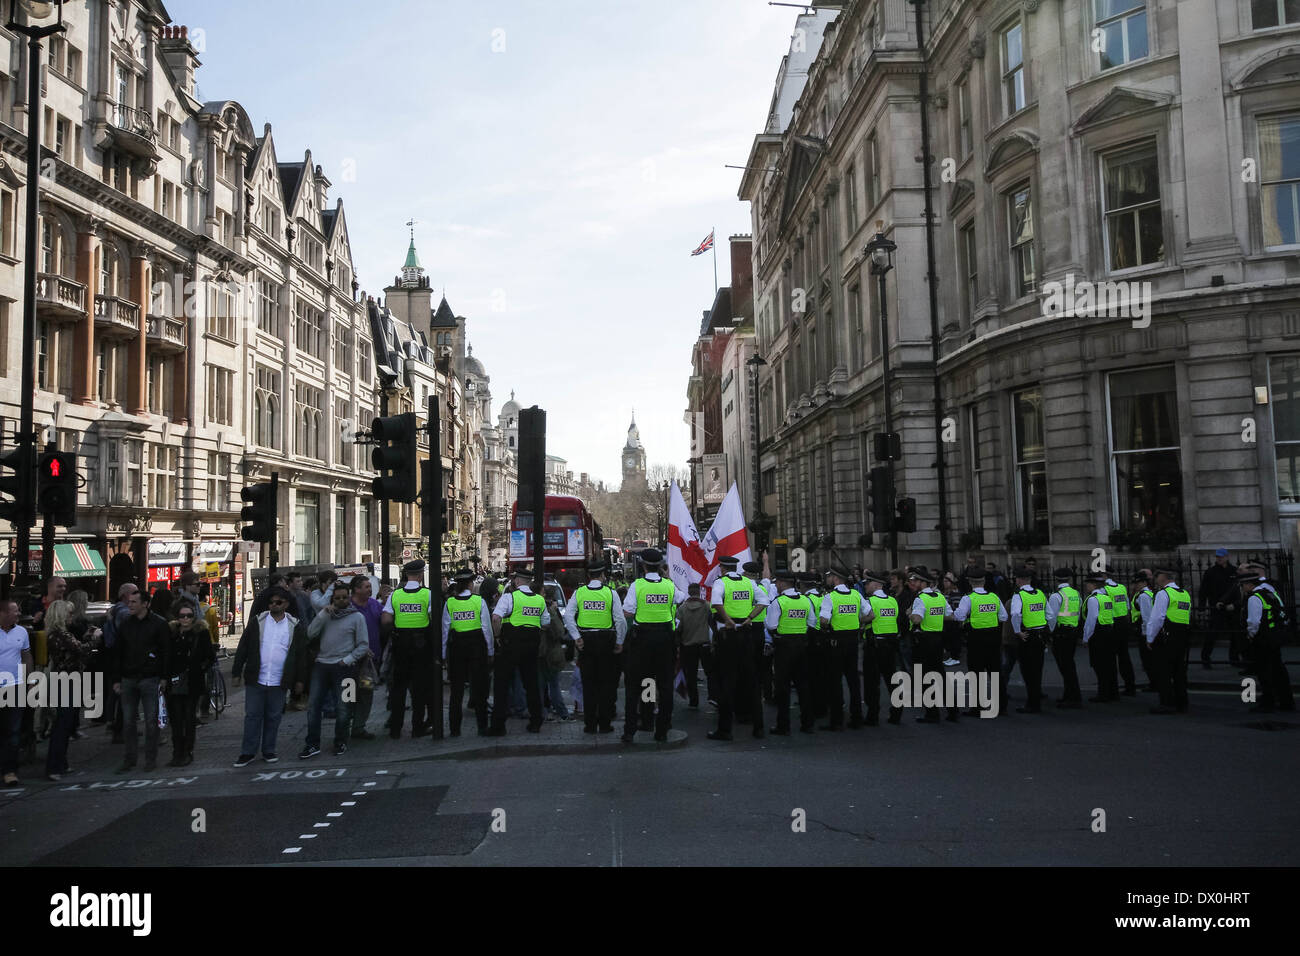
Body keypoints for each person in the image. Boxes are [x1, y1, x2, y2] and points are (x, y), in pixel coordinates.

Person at [231, 585, 308, 766]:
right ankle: (247, 752)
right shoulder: (258, 621)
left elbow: (301, 656)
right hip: (256, 678)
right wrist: (236, 672)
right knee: (252, 716)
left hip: (279, 680)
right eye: (271, 602)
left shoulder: (294, 626)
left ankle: (269, 750)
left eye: (278, 602)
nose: (274, 605)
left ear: (286, 604)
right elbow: (243, 647)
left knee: (273, 717)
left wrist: (300, 680)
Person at [620, 548, 684, 742]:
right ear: (660, 567)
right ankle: (661, 730)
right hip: (665, 639)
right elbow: (681, 599)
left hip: (643, 640)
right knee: (663, 686)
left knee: (636, 685)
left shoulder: (637, 586)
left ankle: (633, 729)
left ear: (643, 565)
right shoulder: (668, 586)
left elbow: (628, 612)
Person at [301, 582, 369, 758]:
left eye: (344, 597)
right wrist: (323, 613)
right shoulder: (325, 615)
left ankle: (341, 741)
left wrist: (347, 660)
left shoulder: (357, 618)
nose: (341, 600)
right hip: (321, 666)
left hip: (346, 669)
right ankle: (312, 744)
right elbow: (310, 633)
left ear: (349, 597)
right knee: (313, 706)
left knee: (345, 707)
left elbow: (363, 645)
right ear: (332, 599)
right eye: (337, 598)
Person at [110, 590, 172, 773]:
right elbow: (118, 653)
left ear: (145, 604)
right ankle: (130, 759)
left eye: (134, 602)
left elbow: (166, 652)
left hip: (150, 678)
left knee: (151, 721)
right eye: (129, 602)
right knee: (128, 722)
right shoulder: (126, 625)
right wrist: (116, 679)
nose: (130, 605)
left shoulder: (159, 624)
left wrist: (163, 677)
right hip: (129, 678)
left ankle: (150, 759)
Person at [708, 556, 766, 740]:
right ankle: (759, 728)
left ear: (723, 568)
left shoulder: (721, 583)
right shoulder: (748, 583)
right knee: (752, 682)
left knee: (727, 682)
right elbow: (763, 601)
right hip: (746, 634)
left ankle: (724, 730)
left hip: (729, 635)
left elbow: (716, 603)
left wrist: (727, 620)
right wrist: (749, 617)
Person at [381, 560, 441, 739]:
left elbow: (385, 620)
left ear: (406, 575)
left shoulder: (395, 595)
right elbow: (433, 619)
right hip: (421, 646)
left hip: (401, 646)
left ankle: (395, 729)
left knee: (399, 689)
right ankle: (417, 728)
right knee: (419, 690)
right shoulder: (427, 594)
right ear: (421, 575)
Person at [488, 567, 551, 735]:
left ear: (516, 581)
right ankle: (536, 721)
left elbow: (495, 618)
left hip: (510, 645)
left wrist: (497, 636)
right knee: (531, 685)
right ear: (529, 582)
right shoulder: (538, 600)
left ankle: (498, 726)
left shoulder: (509, 597)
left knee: (502, 685)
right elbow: (545, 623)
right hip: (531, 646)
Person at [565, 559, 625, 734]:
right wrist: (619, 642)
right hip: (606, 640)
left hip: (586, 642)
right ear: (602, 575)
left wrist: (576, 637)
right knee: (606, 685)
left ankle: (590, 725)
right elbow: (620, 621)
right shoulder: (610, 593)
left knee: (589, 685)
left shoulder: (579, 593)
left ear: (589, 576)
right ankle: (605, 724)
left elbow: (568, 616)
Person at [44, 600, 94, 781]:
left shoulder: (58, 634)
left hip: (66, 679)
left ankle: (60, 763)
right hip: (66, 681)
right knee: (62, 724)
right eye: (69, 613)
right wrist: (92, 639)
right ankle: (54, 766)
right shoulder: (60, 634)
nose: (71, 616)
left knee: (65, 723)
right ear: (61, 615)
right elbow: (81, 650)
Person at [442, 568, 494, 736]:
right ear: (470, 584)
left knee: (456, 691)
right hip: (476, 647)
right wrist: (490, 651)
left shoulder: (450, 602)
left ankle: (454, 729)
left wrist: (443, 654)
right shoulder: (479, 602)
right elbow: (487, 629)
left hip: (457, 648)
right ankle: (482, 727)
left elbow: (445, 630)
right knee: (479, 689)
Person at [164, 602, 214, 767]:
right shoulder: (171, 634)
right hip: (174, 681)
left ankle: (187, 751)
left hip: (192, 682)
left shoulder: (201, 633)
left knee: (188, 717)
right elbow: (166, 656)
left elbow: (210, 656)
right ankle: (177, 752)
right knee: (176, 719)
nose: (185, 619)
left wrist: (199, 669)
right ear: (177, 618)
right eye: (182, 616)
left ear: (194, 617)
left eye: (189, 615)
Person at [954, 569, 1008, 716]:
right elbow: (1003, 617)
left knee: (976, 673)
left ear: (970, 582)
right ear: (984, 582)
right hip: (993, 638)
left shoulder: (968, 598)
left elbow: (959, 616)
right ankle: (1001, 706)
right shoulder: (994, 597)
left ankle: (977, 707)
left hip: (976, 638)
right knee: (995, 672)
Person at [765, 568, 812, 735]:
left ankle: (783, 726)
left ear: (783, 583)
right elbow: (812, 622)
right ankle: (807, 724)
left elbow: (771, 625)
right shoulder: (805, 601)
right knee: (803, 686)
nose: (776, 585)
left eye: (777, 582)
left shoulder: (779, 602)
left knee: (782, 688)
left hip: (784, 647)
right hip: (801, 646)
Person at [1242, 569, 1295, 713]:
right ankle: (1286, 701)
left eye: (1243, 585)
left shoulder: (1254, 597)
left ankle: (1268, 701)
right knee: (1278, 669)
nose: (1242, 588)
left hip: (1263, 638)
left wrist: (1251, 635)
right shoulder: (1271, 593)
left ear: (1249, 584)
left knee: (1263, 671)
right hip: (1275, 636)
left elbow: (1253, 621)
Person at [820, 567, 866, 730]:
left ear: (835, 578)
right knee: (853, 681)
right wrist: (858, 621)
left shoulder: (830, 597)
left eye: (830, 576)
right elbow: (871, 614)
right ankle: (857, 718)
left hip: (836, 642)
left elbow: (824, 620)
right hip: (853, 640)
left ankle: (837, 721)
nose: (829, 579)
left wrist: (830, 620)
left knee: (835, 682)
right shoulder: (856, 595)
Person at [909, 569, 957, 722]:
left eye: (916, 581)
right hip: (938, 638)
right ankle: (953, 710)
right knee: (941, 675)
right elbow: (950, 616)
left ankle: (932, 713)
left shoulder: (920, 598)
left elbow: (916, 619)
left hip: (924, 640)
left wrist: (909, 613)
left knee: (926, 677)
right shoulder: (940, 597)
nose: (913, 583)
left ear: (923, 583)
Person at [1146, 567, 1192, 714]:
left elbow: (1157, 618)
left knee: (1164, 671)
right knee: (1179, 671)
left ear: (1163, 577)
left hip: (1166, 636)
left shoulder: (1163, 593)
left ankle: (1167, 703)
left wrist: (1150, 638)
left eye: (1156, 575)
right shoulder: (1184, 594)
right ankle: (1182, 702)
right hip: (1182, 635)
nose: (1154, 578)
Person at [860, 571, 901, 725]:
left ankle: (873, 715)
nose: (865, 586)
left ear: (876, 584)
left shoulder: (869, 601)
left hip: (873, 645)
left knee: (872, 682)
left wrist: (860, 622)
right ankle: (897, 712)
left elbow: (867, 618)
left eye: (867, 583)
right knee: (892, 680)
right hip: (890, 645)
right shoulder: (892, 601)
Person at [0, 599, 33, 785]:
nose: (19, 614)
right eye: (15, 611)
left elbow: (26, 656)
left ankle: (10, 771)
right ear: (3, 613)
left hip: (15, 687)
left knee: (13, 731)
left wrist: (30, 681)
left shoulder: (21, 632)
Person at [1007, 568, 1048, 715]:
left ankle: (1032, 704)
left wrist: (1017, 631)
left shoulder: (1019, 595)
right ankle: (1035, 702)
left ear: (1019, 580)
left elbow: (1016, 614)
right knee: (1037, 670)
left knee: (1028, 671)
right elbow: (1049, 614)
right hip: (1041, 634)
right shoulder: (1040, 593)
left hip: (1028, 635)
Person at [348, 576, 384, 740]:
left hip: (369, 663)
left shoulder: (374, 605)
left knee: (366, 693)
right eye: (366, 587)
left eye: (370, 587)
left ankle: (359, 726)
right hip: (349, 661)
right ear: (356, 589)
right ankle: (345, 725)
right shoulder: (347, 606)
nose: (370, 590)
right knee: (348, 695)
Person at [1045, 568, 1083, 708]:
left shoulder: (1056, 596)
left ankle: (1073, 697)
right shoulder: (1076, 593)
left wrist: (1050, 633)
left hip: (1061, 634)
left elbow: (1052, 617)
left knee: (1065, 667)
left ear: (1056, 579)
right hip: (1072, 632)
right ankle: (1069, 694)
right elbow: (1078, 613)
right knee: (1069, 665)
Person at [1082, 573, 1117, 703]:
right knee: (1109, 664)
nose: (1086, 586)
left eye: (1088, 584)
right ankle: (1112, 692)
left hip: (1098, 633)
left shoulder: (1093, 599)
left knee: (1099, 665)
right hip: (1108, 631)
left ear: (1093, 584)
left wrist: (1086, 638)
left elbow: (1091, 620)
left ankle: (1103, 694)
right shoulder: (1106, 598)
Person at [676, 582, 712, 710]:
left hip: (688, 645)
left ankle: (693, 700)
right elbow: (712, 622)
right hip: (704, 644)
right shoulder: (707, 606)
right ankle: (713, 696)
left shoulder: (682, 609)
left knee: (690, 674)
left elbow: (678, 628)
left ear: (689, 592)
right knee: (710, 672)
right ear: (699, 591)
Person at [1200, 549, 1236, 670]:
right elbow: (1203, 590)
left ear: (1227, 557)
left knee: (1235, 634)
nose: (1219, 559)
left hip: (1231, 607)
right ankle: (1205, 658)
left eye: (1221, 557)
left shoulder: (1234, 571)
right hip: (1216, 607)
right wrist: (1202, 607)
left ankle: (1234, 658)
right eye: (1217, 557)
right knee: (1212, 634)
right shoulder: (1210, 572)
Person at [1104, 569, 1137, 696]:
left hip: (1112, 624)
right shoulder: (1121, 587)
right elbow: (1127, 606)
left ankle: (1112, 689)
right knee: (1124, 656)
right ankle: (1130, 685)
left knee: (1110, 658)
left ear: (1103, 575)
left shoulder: (1105, 590)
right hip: (1123, 623)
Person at [1130, 570, 1157, 690]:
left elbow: (1146, 617)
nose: (1135, 585)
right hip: (1146, 631)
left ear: (1143, 583)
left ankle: (1154, 683)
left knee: (1148, 660)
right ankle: (1154, 682)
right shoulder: (1149, 593)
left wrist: (1147, 635)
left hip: (1144, 632)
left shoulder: (1143, 596)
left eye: (1138, 583)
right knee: (1150, 660)